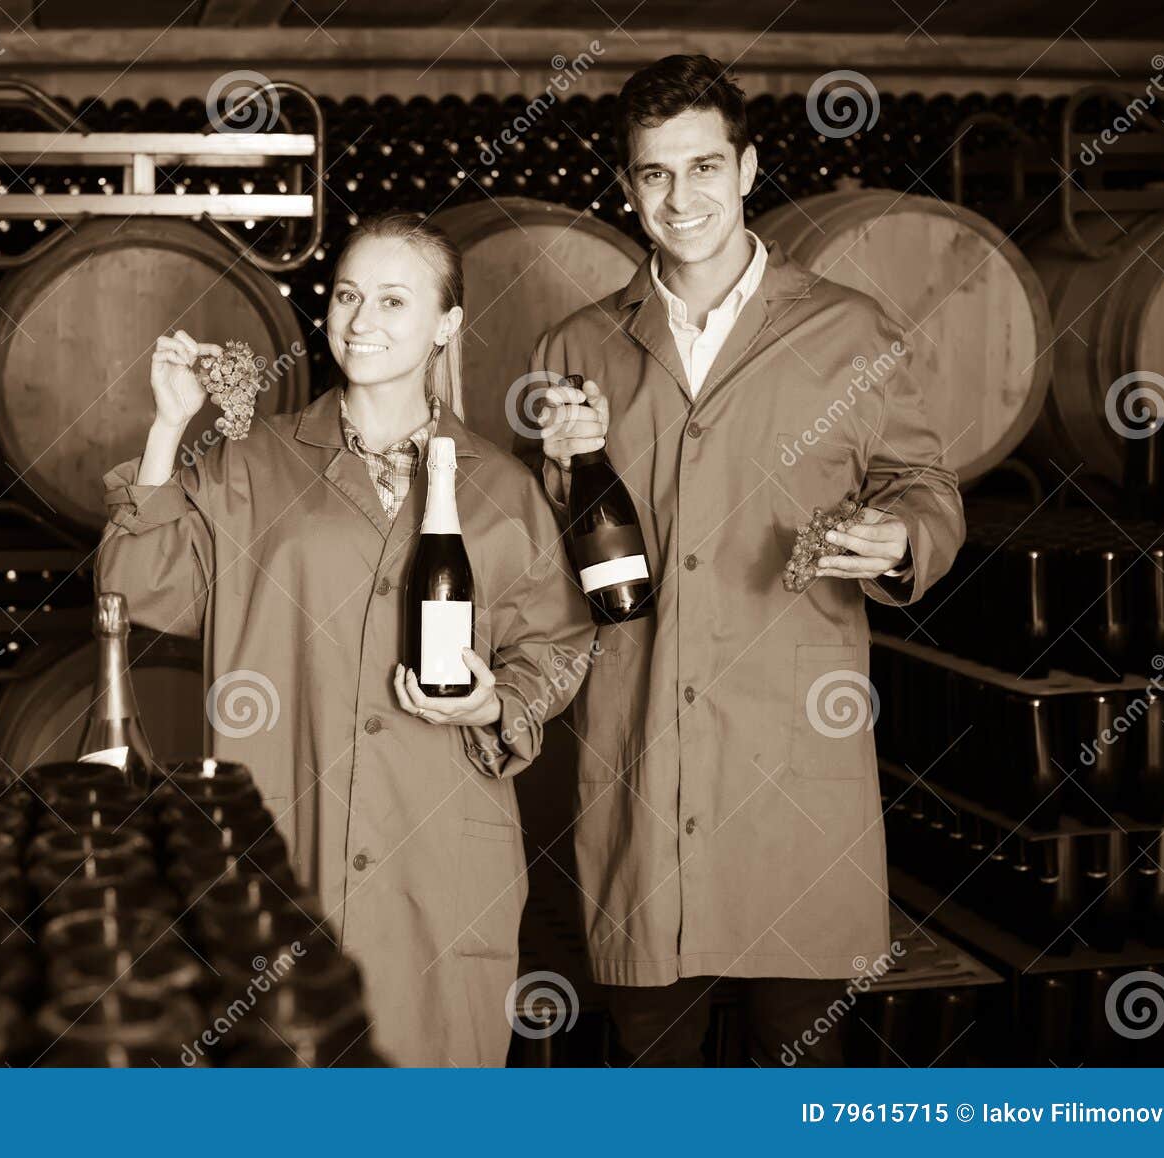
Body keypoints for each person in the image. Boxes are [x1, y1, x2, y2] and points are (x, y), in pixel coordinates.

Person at [530, 54, 966, 1065]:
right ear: (627, 184)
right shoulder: (577, 343)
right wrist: (552, 472)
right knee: (654, 1069)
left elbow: (923, 481)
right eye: (654, 173)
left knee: (798, 1073)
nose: (680, 198)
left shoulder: (847, 329)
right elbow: (534, 559)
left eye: (703, 167)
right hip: (641, 751)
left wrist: (904, 537)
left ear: (748, 168)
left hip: (792, 759)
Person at [96, 211, 596, 1066]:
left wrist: (496, 703)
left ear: (446, 325)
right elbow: (137, 586)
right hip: (284, 836)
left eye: (394, 300)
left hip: (439, 854)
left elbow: (557, 644)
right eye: (348, 295)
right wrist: (167, 428)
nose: (361, 320)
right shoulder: (250, 460)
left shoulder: (504, 487)